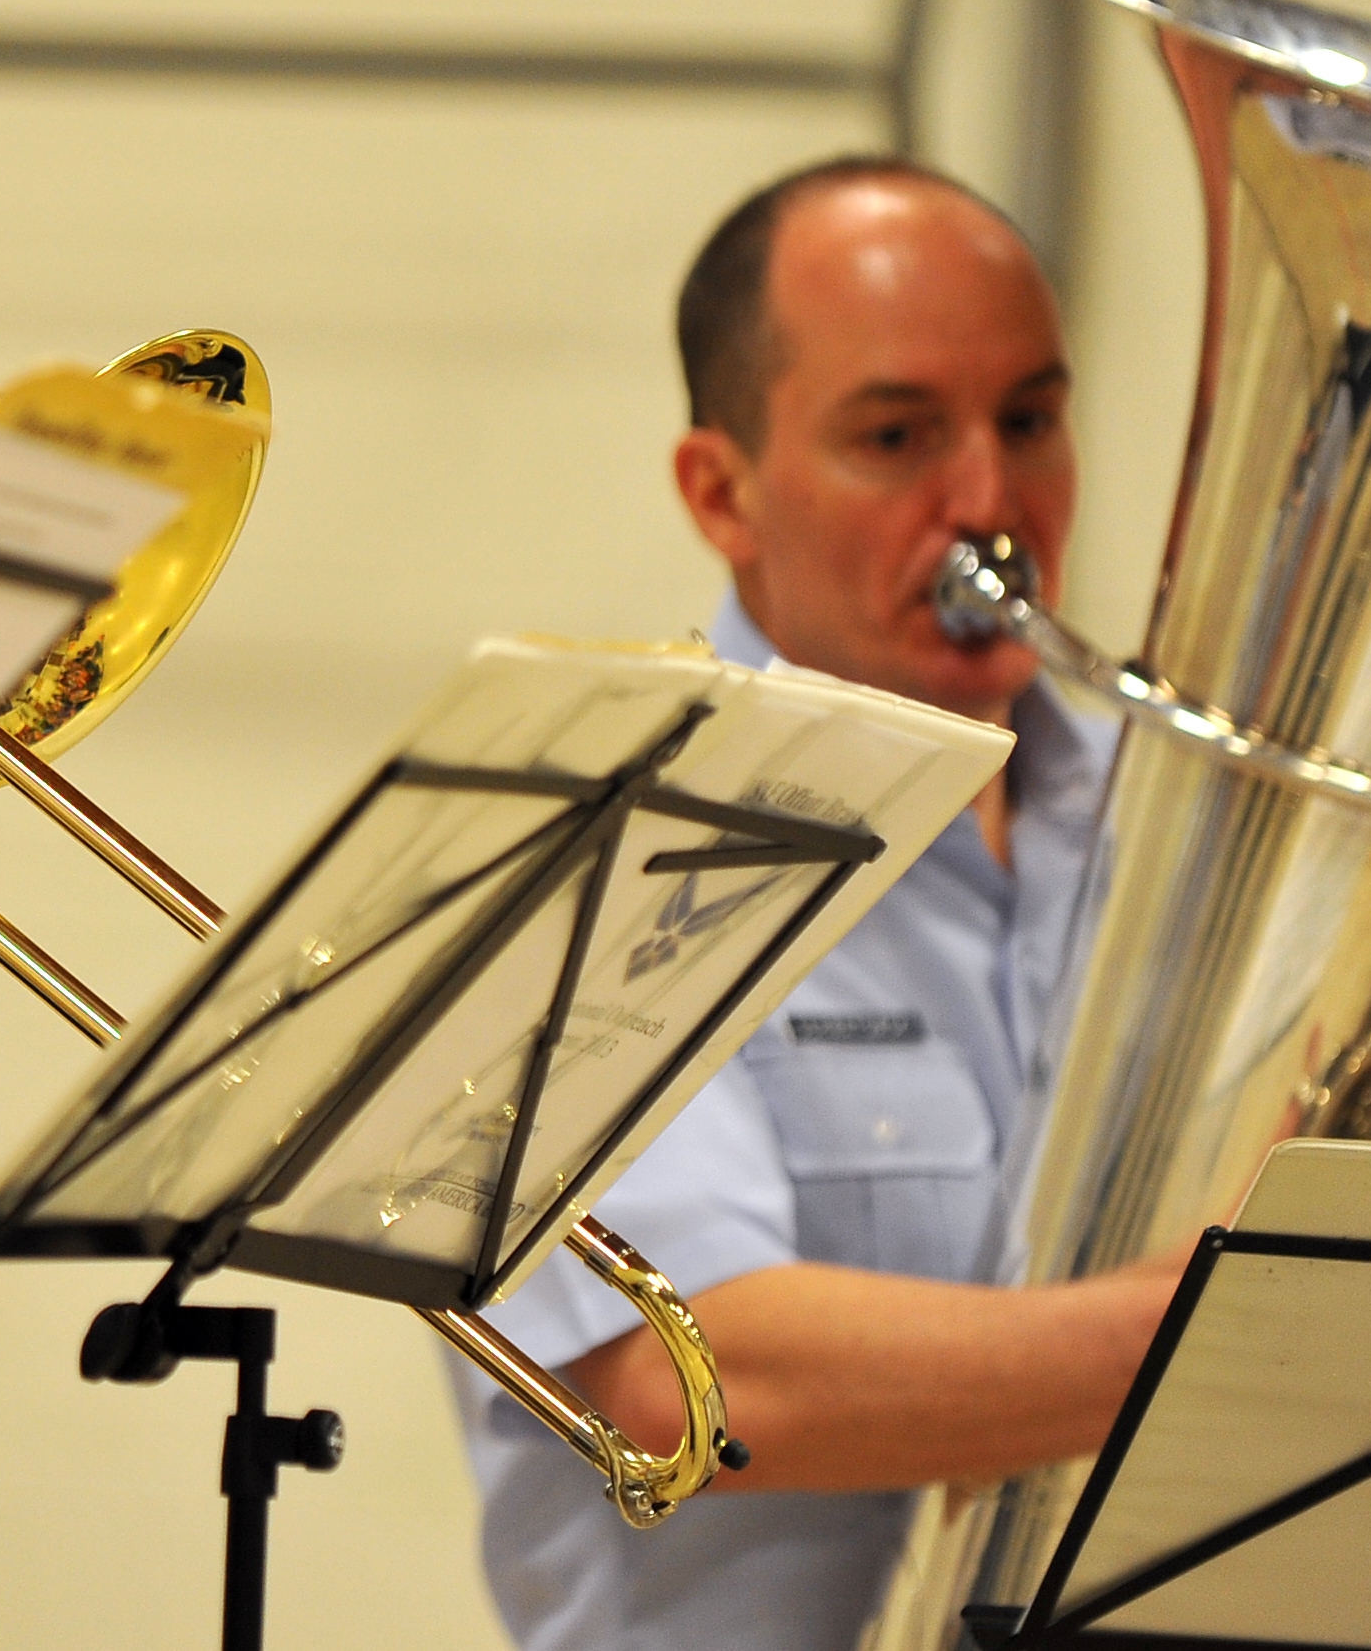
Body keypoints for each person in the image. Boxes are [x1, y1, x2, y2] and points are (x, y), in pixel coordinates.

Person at [461, 156, 1182, 1651]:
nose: (989, 500)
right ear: (718, 492)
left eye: (1028, 422)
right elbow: (697, 1380)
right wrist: (1222, 1336)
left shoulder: (1176, 830)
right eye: (897, 435)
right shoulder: (595, 852)